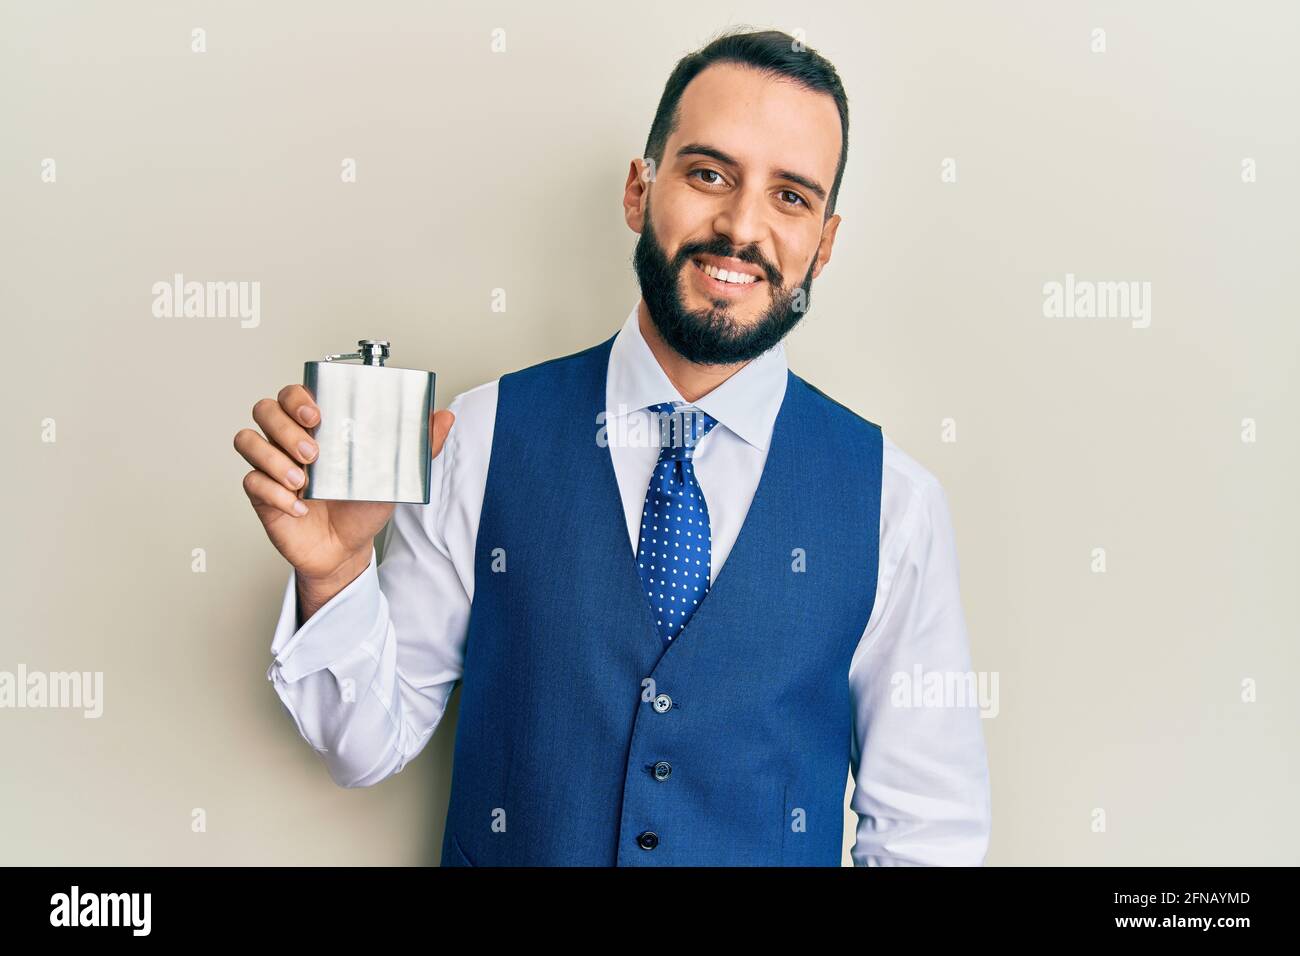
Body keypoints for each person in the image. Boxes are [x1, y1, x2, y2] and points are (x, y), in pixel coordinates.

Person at [234, 28, 991, 866]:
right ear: (640, 190)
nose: (741, 228)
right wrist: (336, 576)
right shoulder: (483, 438)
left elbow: (930, 833)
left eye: (790, 197)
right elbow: (361, 747)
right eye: (710, 174)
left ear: (825, 242)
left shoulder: (893, 503)